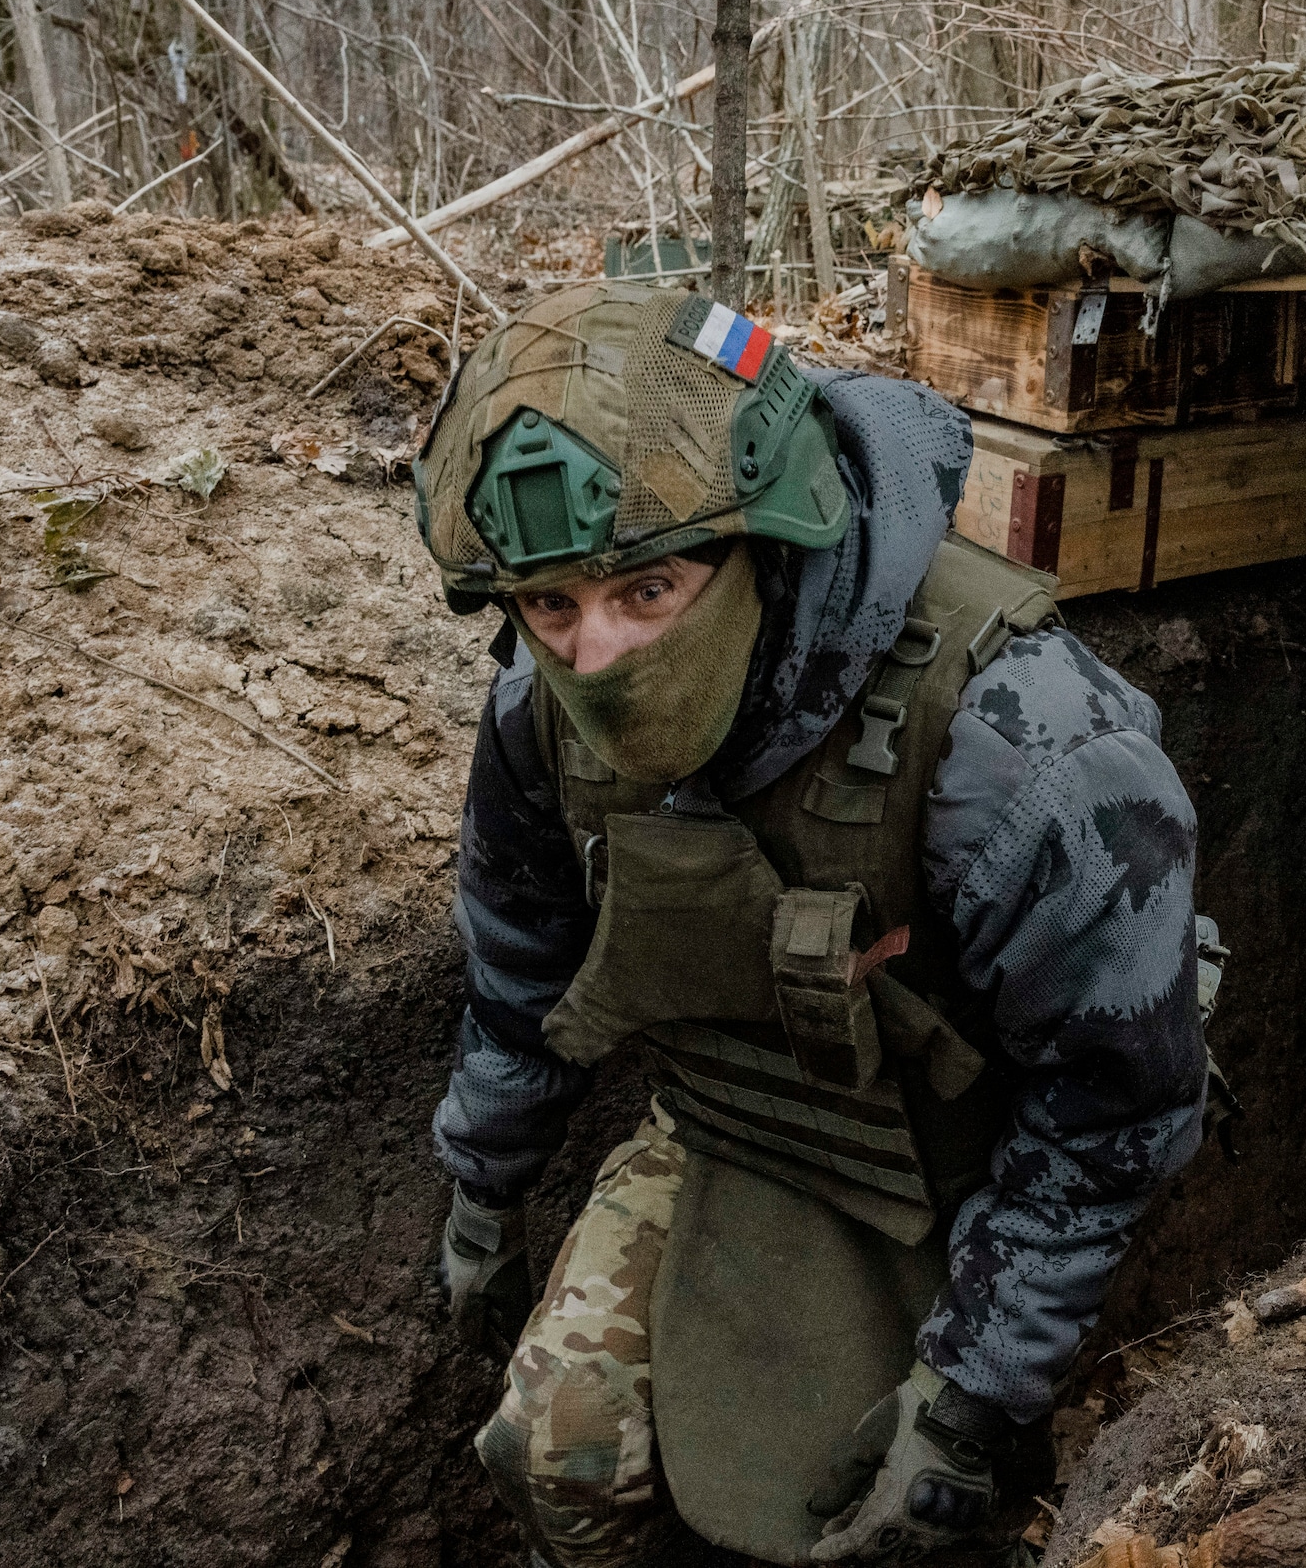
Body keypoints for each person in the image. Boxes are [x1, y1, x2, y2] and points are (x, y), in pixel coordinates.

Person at [412, 281, 1208, 1566]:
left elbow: (1115, 1113)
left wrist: (967, 1402)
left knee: (882, 1526)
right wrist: (483, 1190)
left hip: (978, 1172)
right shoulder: (536, 715)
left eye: (646, 591)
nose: (594, 654)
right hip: (731, 1123)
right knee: (554, 1448)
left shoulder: (1024, 747)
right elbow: (520, 976)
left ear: (766, 544)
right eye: (550, 607)